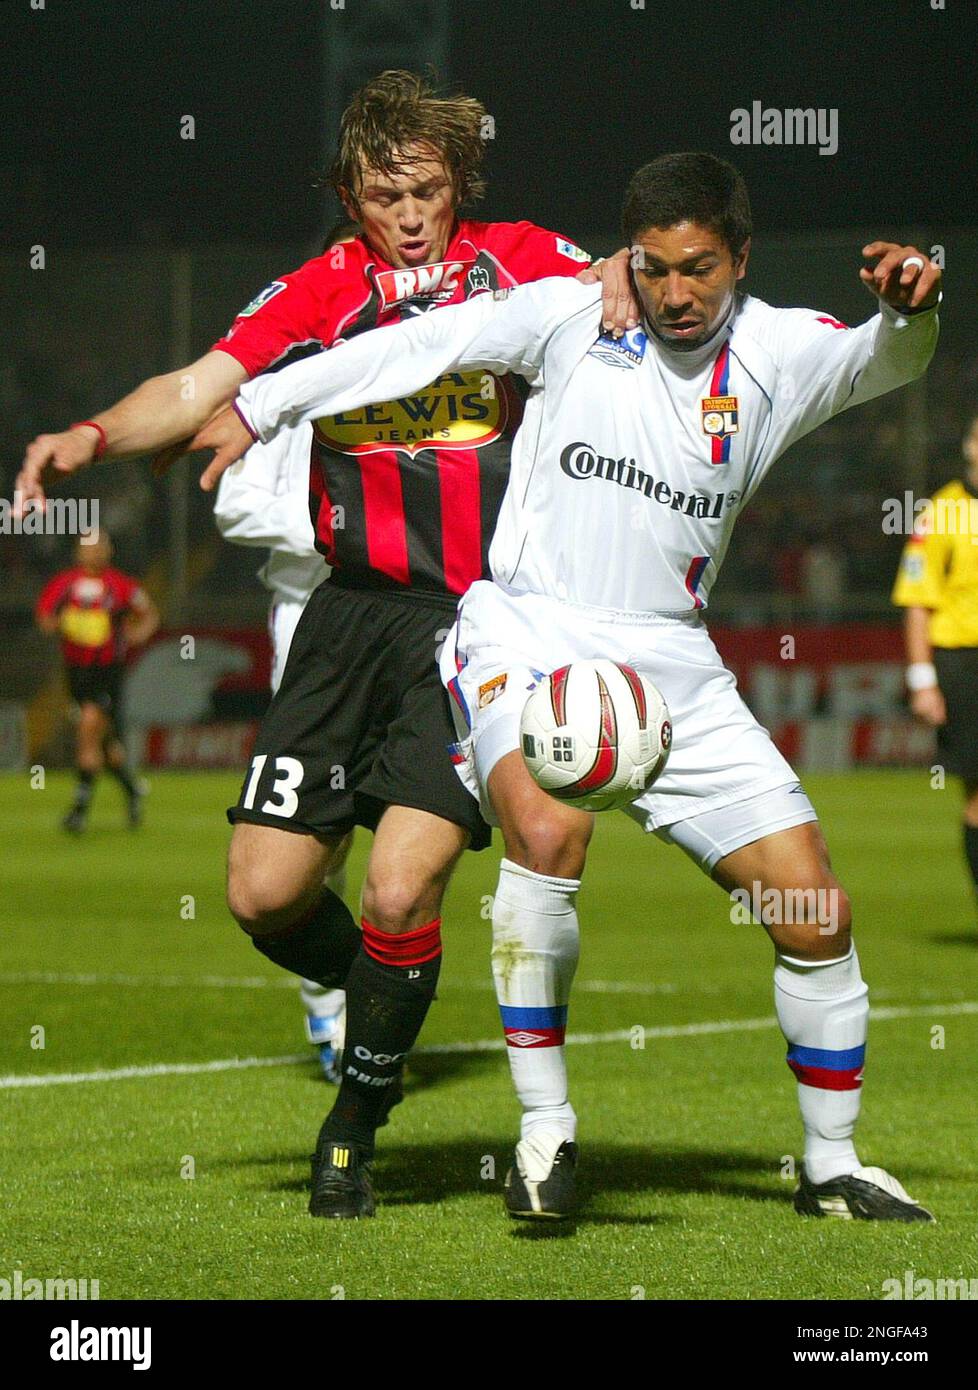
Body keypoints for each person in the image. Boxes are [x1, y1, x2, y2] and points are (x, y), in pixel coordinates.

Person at [202, 152, 941, 1225]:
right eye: (654, 269)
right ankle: (545, 1134)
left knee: (812, 905)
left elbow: (891, 358)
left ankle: (831, 1163)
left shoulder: (783, 351)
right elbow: (418, 344)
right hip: (526, 633)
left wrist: (912, 311)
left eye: (700, 269)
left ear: (741, 258)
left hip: (672, 662)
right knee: (549, 836)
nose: (677, 294)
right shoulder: (563, 316)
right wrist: (262, 401)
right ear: (628, 259)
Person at [16, 70, 635, 1219]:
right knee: (262, 892)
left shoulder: (519, 259)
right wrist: (89, 434)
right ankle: (387, 994)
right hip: (346, 618)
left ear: (460, 186)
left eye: (428, 190)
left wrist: (627, 281)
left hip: (474, 629)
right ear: (349, 195)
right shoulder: (325, 288)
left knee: (403, 887)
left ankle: (353, 1121)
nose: (408, 214)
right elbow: (195, 384)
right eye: (382, 192)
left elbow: (636, 289)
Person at [212, 221, 360, 1082]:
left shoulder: (438, 377)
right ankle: (330, 996)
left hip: (427, 618)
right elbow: (233, 508)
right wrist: (345, 530)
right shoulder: (286, 385)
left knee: (431, 822)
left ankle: (375, 989)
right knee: (323, 825)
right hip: (312, 621)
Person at [892, 413, 978, 918]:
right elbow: (917, 601)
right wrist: (923, 680)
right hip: (965, 662)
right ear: (968, 447)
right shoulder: (941, 513)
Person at [35, 532, 159, 831]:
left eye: (98, 546)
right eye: (87, 547)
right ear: (78, 551)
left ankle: (78, 812)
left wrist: (138, 634)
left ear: (108, 550)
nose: (93, 552)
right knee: (106, 747)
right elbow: (45, 615)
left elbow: (149, 614)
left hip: (107, 673)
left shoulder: (120, 585)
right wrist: (59, 624)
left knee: (88, 729)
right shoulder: (65, 583)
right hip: (75, 673)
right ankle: (131, 791)